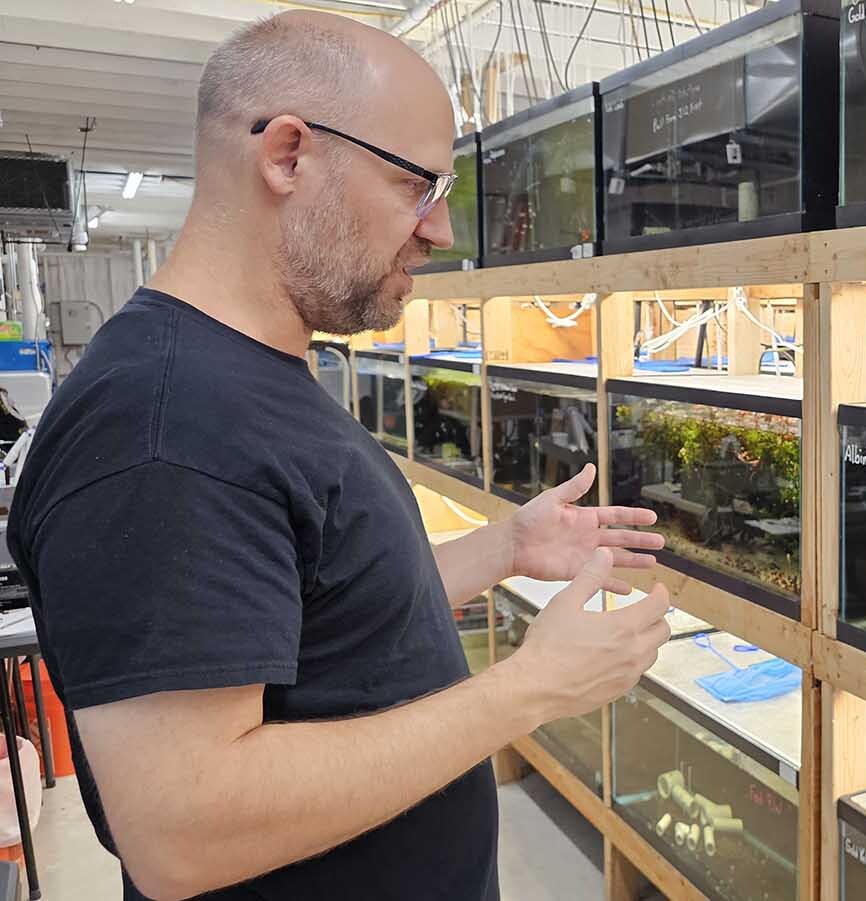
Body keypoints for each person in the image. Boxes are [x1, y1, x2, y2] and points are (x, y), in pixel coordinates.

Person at [6, 11, 671, 901]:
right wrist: (528, 690)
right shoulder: (162, 428)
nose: (438, 231)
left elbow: (326, 621)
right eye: (417, 185)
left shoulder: (249, 374)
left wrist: (505, 547)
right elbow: (182, 832)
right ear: (288, 155)